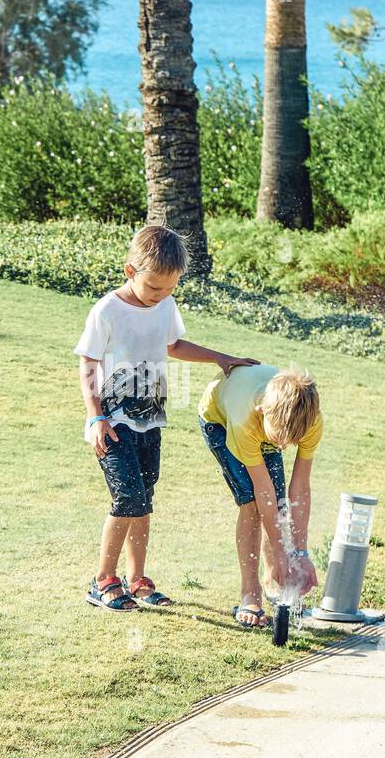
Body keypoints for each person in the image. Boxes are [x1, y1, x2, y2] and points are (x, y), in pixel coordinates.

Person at [75, 225, 257, 611]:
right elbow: (88, 362)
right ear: (130, 271)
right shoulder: (107, 310)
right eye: (154, 287)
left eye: (170, 288)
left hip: (150, 422)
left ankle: (137, 579)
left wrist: (220, 357)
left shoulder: (166, 306)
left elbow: (173, 345)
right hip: (113, 423)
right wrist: (95, 418)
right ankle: (103, 580)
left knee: (145, 501)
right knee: (128, 499)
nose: (162, 295)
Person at [199, 364, 322, 627]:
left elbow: (299, 488)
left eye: (290, 441)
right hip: (219, 420)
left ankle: (272, 582)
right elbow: (262, 491)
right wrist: (281, 551)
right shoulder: (245, 418)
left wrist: (299, 553)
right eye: (279, 438)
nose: (282, 447)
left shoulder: (308, 420)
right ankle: (250, 594)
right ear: (262, 410)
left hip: (261, 425)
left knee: (278, 506)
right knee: (253, 504)